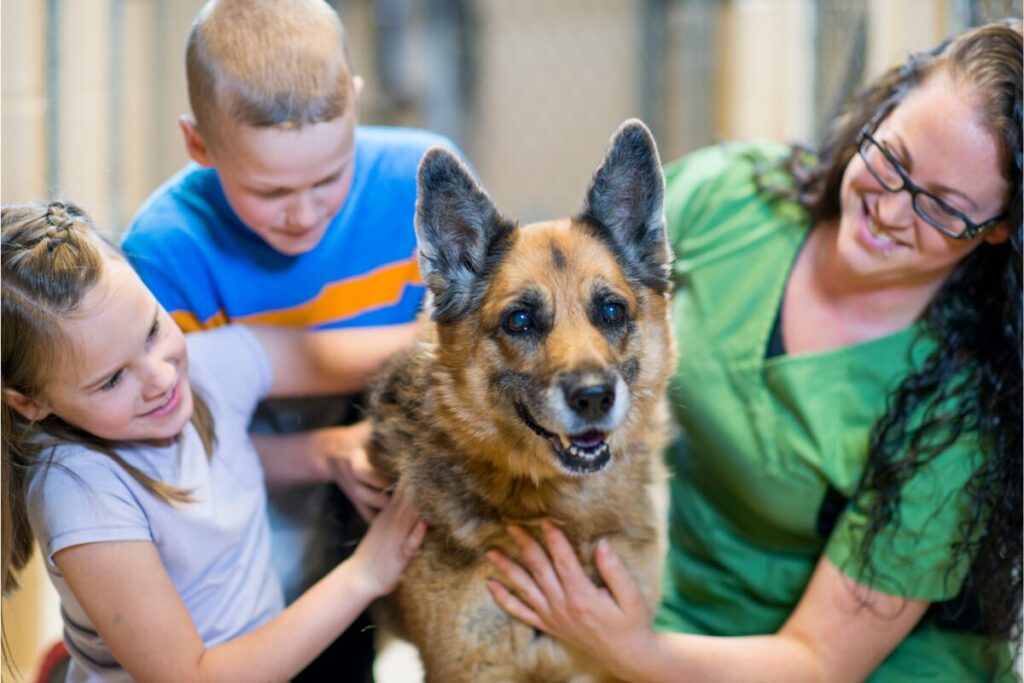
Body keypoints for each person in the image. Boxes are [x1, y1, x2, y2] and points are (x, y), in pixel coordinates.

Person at [484, 20, 1022, 682]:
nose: (890, 210)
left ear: (997, 229)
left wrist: (620, 646)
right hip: (672, 609)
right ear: (878, 113)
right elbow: (553, 295)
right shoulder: (731, 199)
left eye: (941, 206)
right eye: (893, 160)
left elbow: (820, 661)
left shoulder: (956, 418)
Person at [119, 0, 463, 677]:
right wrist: (324, 451)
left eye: (330, 177)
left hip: (381, 454)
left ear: (356, 107)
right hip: (231, 475)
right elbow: (178, 450)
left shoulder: (423, 179)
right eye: (269, 189)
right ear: (199, 145)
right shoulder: (163, 249)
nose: (304, 213)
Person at [0, 201, 428, 683]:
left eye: (152, 330)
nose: (160, 376)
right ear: (30, 402)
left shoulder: (210, 366)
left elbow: (406, 343)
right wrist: (367, 571)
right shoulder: (77, 490)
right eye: (111, 380)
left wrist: (327, 453)